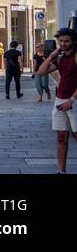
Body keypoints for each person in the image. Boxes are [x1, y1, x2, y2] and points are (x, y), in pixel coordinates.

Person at [37, 28, 77, 172]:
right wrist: (51, 56)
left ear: (74, 41)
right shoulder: (60, 58)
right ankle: (61, 171)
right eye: (60, 41)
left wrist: (71, 100)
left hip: (74, 101)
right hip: (60, 101)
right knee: (61, 137)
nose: (63, 44)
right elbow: (41, 72)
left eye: (66, 41)